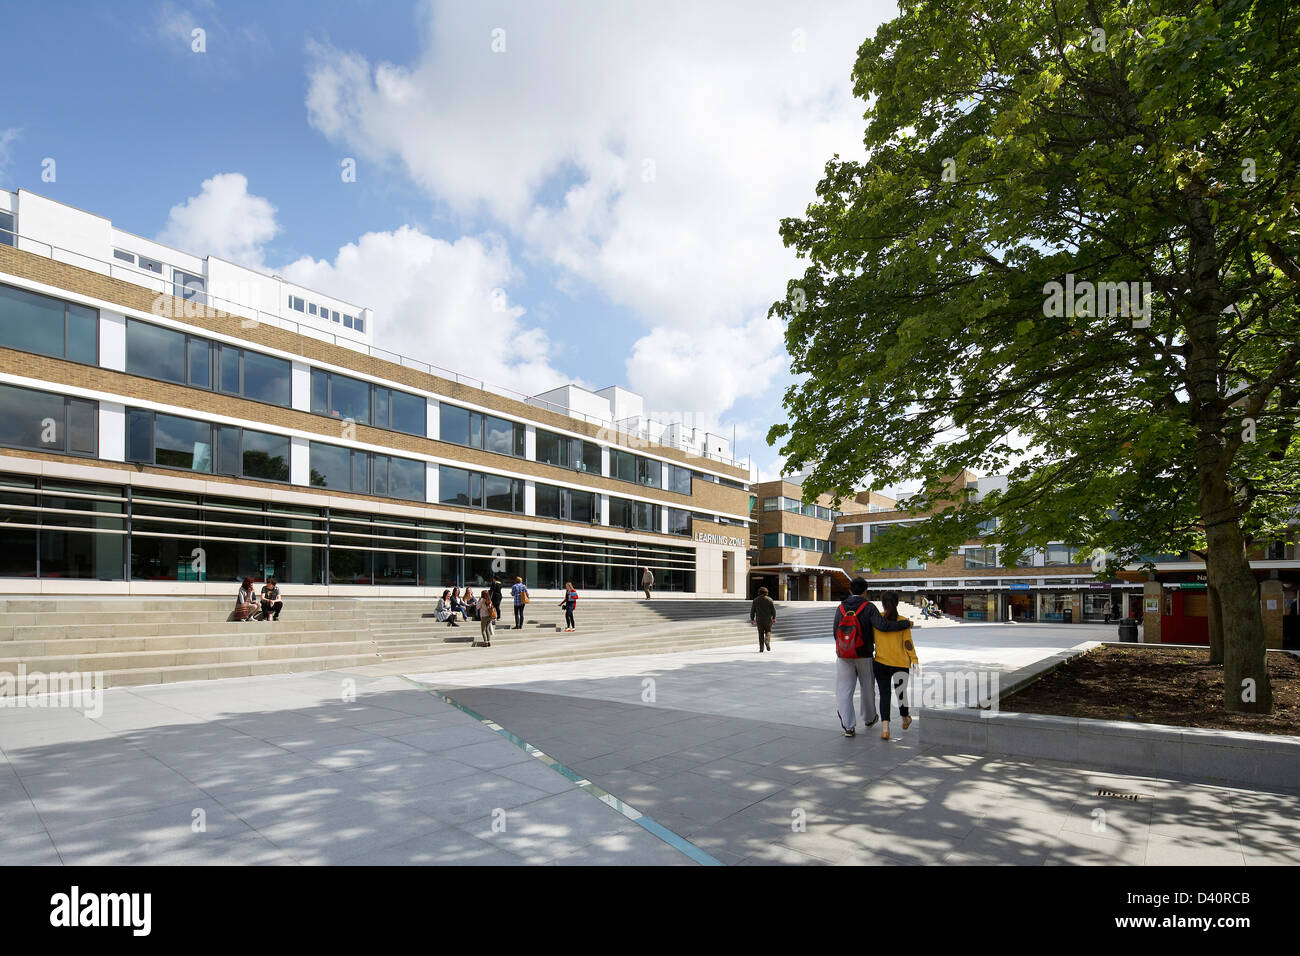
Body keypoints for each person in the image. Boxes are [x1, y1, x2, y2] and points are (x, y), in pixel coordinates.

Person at [834, 577, 911, 738]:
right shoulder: (868, 607)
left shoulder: (841, 608)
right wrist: (905, 624)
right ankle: (869, 719)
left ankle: (848, 726)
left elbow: (835, 632)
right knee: (867, 688)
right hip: (864, 655)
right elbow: (882, 626)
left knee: (844, 690)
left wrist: (847, 647)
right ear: (865, 591)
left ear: (850, 590)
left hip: (843, 656)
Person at [873, 592, 919, 740]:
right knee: (901, 693)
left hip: (881, 662)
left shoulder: (877, 620)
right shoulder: (903, 621)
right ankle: (905, 718)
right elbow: (908, 644)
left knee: (884, 695)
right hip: (900, 664)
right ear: (897, 603)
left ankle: (885, 729)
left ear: (882, 603)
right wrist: (915, 661)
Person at [750, 586, 777, 652]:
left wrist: (752, 619)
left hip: (759, 619)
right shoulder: (770, 600)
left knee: (760, 633)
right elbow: (773, 610)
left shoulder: (755, 600)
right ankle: (767, 641)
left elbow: (752, 610)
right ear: (766, 592)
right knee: (768, 631)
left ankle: (761, 648)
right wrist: (774, 617)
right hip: (768, 619)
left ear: (759, 592)